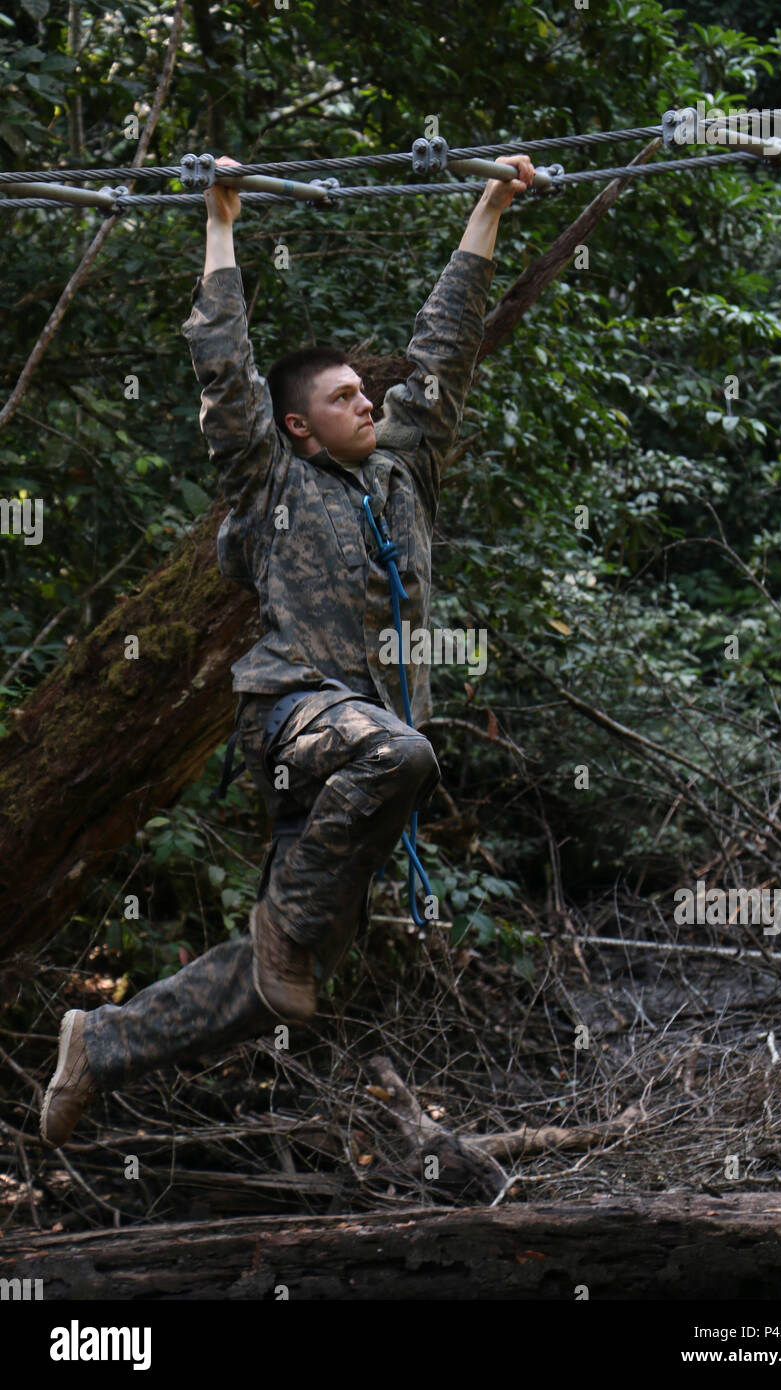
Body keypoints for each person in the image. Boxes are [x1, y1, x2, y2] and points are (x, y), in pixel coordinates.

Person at [40, 149, 536, 1148]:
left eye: (367, 393)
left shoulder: (402, 478)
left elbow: (445, 345)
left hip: (350, 756)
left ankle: (99, 1043)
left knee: (281, 987)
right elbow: (225, 372)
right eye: (346, 396)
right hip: (297, 719)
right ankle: (283, 930)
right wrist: (220, 222)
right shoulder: (272, 484)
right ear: (299, 428)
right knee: (396, 754)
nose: (367, 401)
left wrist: (488, 205)